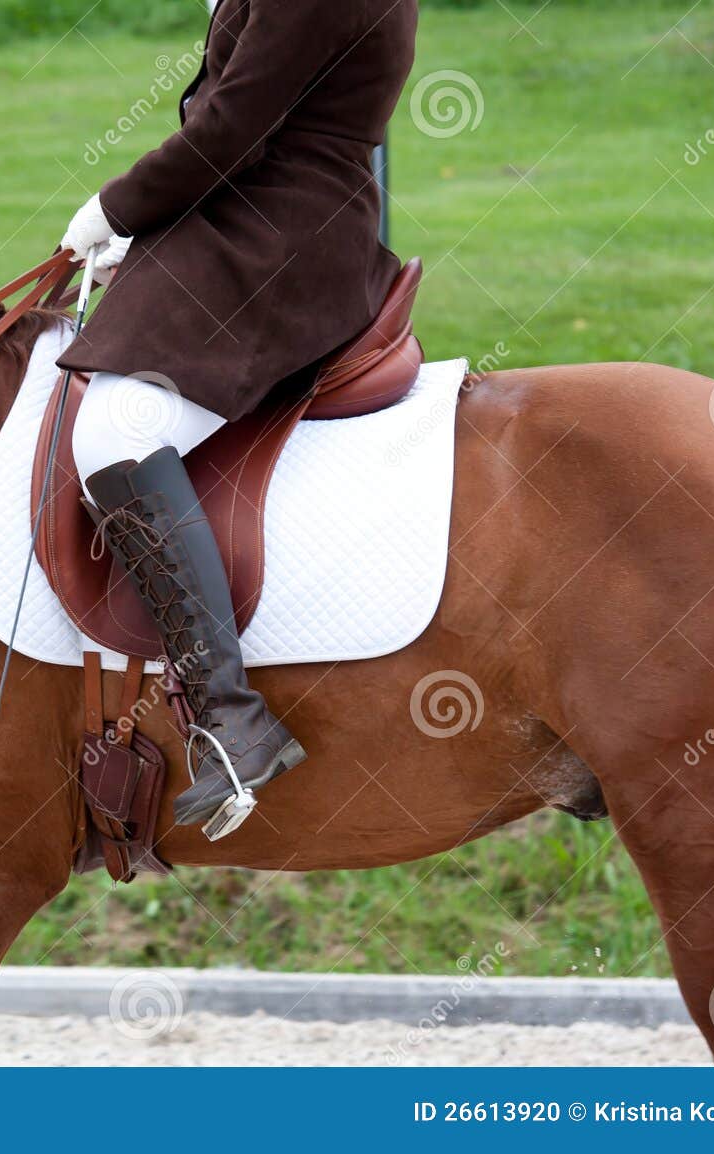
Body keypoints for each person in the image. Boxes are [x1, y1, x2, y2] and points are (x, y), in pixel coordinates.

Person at [57, 0, 418, 838]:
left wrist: (117, 208)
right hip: (245, 215)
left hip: (281, 235)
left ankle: (230, 720)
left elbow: (231, 126)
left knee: (116, 428)